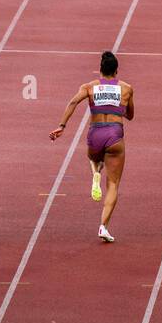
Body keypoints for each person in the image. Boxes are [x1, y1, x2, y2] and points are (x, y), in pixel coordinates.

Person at [50, 51, 134, 242]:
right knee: (113, 184)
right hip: (114, 134)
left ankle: (95, 170)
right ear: (117, 70)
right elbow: (130, 115)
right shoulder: (126, 88)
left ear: (100, 70)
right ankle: (103, 226)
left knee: (93, 157)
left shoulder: (89, 86)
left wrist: (62, 126)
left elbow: (73, 102)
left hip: (94, 133)